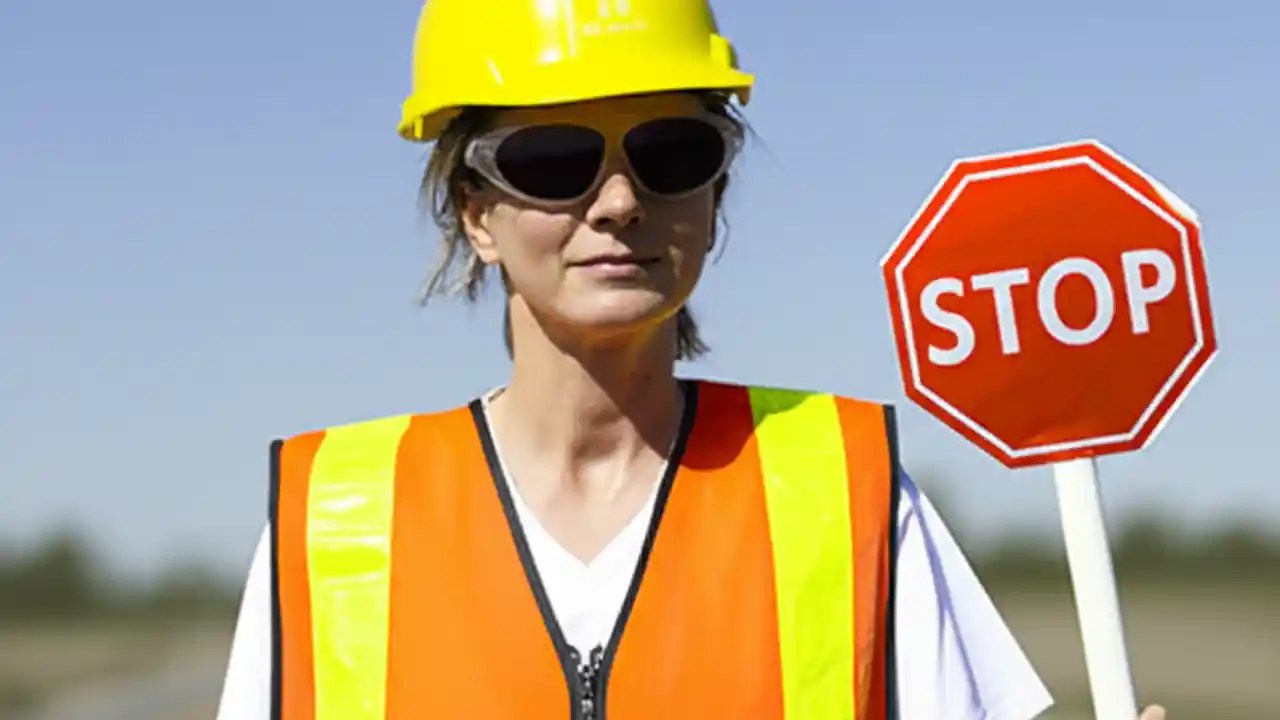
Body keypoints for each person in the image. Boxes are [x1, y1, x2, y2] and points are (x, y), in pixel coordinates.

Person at [215, 1, 1170, 718]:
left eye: (672, 151)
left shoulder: (846, 488)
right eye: (555, 159)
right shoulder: (332, 521)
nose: (622, 201)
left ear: (716, 194)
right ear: (476, 214)